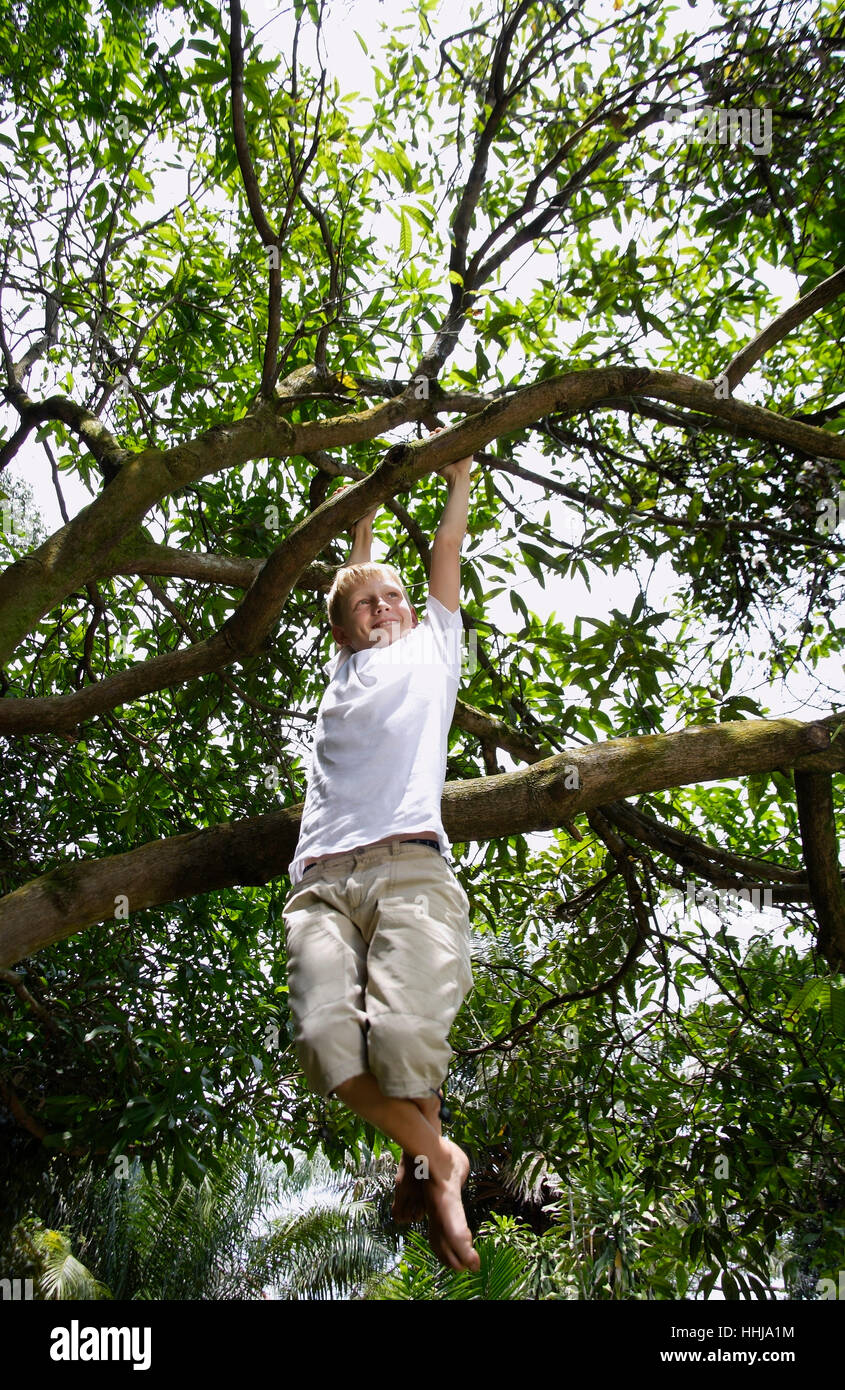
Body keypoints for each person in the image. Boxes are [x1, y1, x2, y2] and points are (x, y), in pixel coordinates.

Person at [282, 448, 479, 1272]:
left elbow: (442, 557)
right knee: (326, 1044)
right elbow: (355, 569)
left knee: (402, 1040)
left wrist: (457, 478)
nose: (383, 607)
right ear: (342, 627)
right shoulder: (342, 671)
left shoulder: (432, 649)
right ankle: (440, 1159)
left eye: (393, 597)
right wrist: (361, 519)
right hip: (320, 884)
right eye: (365, 603)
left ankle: (422, 1164)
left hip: (408, 867)